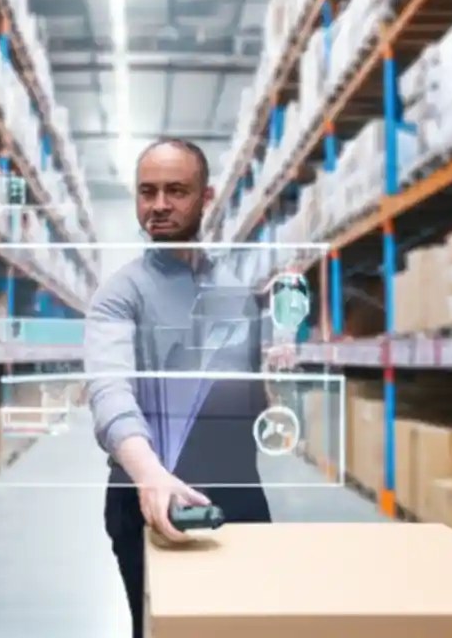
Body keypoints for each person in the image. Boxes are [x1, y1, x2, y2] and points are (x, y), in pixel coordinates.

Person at [84, 137, 274, 638]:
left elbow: (255, 400)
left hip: (239, 494)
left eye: (176, 191)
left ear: (206, 197)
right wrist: (150, 476)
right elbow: (110, 391)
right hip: (151, 500)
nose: (160, 206)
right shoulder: (119, 294)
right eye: (148, 192)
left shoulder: (236, 292)